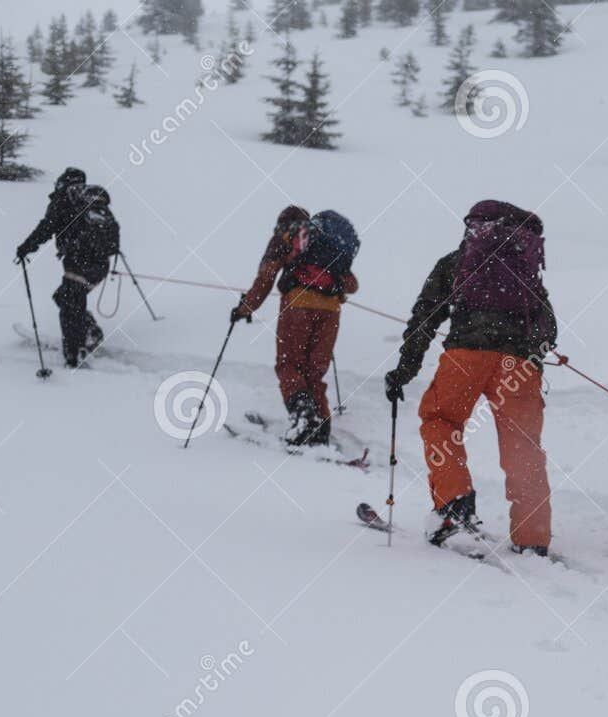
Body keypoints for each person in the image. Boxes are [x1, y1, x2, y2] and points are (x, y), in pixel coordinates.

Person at [385, 200, 556, 555]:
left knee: (441, 420)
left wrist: (404, 370)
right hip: (519, 366)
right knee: (523, 446)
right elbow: (548, 327)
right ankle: (533, 536)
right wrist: (532, 356)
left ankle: (454, 502)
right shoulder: (524, 269)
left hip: (465, 356)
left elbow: (425, 318)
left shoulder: (458, 261)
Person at [233, 207, 361, 447]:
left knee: (289, 365)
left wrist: (244, 308)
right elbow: (352, 284)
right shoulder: (327, 243)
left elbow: (266, 277)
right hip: (331, 311)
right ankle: (321, 428)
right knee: (314, 371)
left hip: (297, 306)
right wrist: (329, 287)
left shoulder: (285, 237)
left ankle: (303, 420)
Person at [15, 168, 120, 368]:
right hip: (100, 264)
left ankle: (74, 355)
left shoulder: (64, 201)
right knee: (65, 298)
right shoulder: (92, 201)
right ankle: (89, 331)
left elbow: (46, 228)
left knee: (70, 304)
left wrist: (25, 248)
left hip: (79, 263)